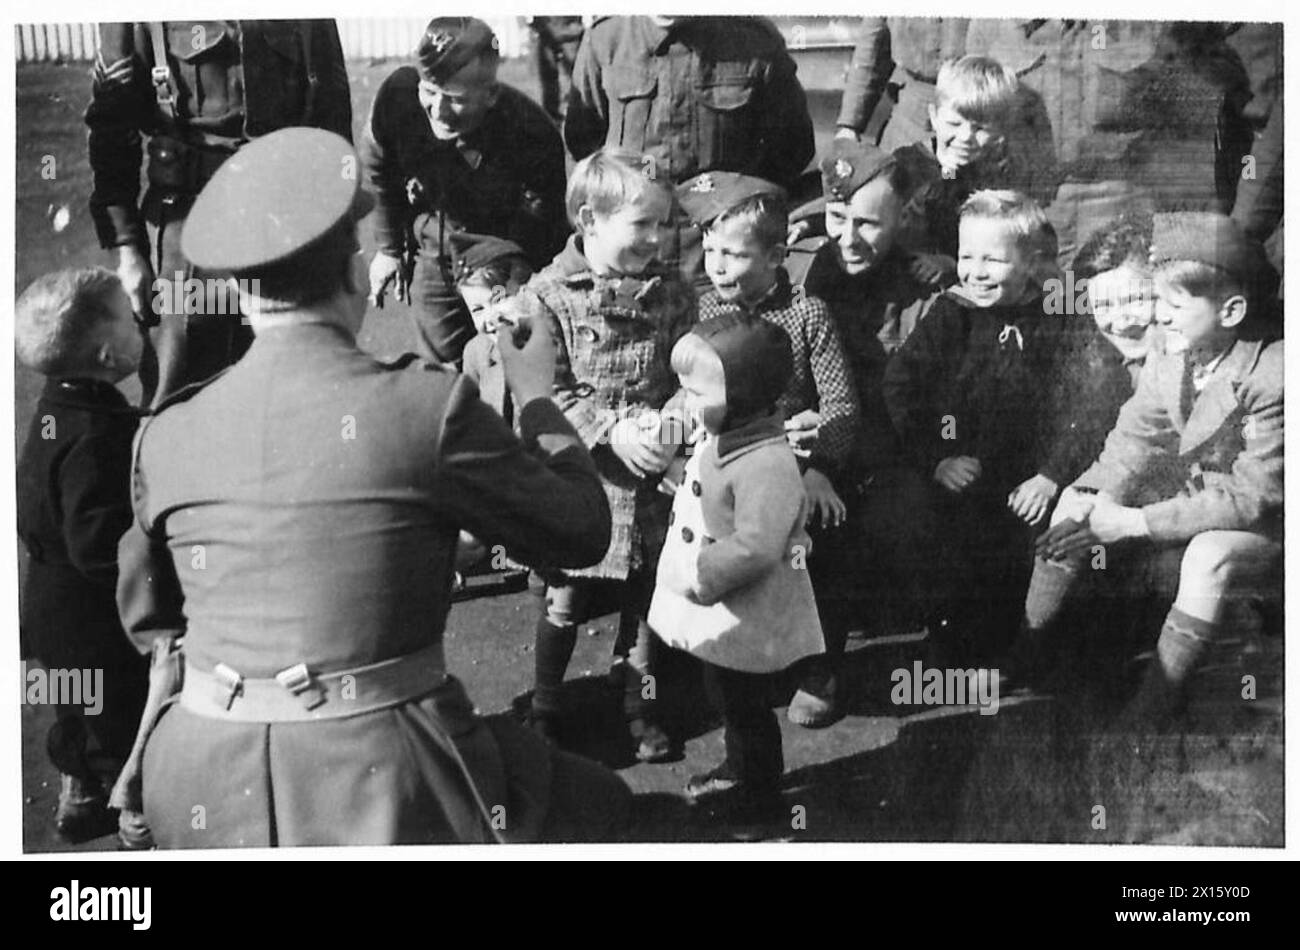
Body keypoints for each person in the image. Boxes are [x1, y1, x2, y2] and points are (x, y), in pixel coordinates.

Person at [114, 127, 629, 847]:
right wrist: (538, 396)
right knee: (603, 806)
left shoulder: (167, 432)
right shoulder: (426, 407)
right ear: (356, 274)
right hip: (380, 773)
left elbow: (153, 619)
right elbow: (580, 529)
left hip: (198, 774)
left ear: (236, 293)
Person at [1000, 213, 1282, 724]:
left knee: (1207, 557)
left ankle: (1152, 708)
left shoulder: (1274, 374)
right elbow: (1133, 439)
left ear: (1232, 310)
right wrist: (1094, 499)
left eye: (1171, 306)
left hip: (1269, 525)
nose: (1160, 319)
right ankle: (1028, 654)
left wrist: (1134, 523)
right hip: (1198, 503)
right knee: (1078, 503)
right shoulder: (1176, 353)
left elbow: (1253, 496)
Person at [502, 147, 695, 762]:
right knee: (565, 598)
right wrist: (611, 430)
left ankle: (641, 705)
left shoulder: (673, 291)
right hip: (582, 477)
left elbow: (691, 369)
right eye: (643, 225)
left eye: (666, 223)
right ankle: (546, 706)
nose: (659, 238)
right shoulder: (547, 297)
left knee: (646, 602)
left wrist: (675, 420)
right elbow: (545, 392)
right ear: (589, 219)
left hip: (653, 479)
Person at [882, 190, 1103, 661]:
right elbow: (901, 385)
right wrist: (935, 457)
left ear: (1030, 261)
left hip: (1032, 474)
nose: (976, 271)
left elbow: (1091, 401)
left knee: (1024, 560)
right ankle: (949, 637)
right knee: (944, 546)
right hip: (962, 466)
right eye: (966, 256)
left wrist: (1052, 475)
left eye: (994, 260)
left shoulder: (1059, 315)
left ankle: (1024, 645)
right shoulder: (953, 312)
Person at [86, 19, 352, 406]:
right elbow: (112, 129)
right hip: (187, 228)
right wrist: (126, 248)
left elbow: (332, 115)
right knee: (176, 390)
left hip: (284, 225)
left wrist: (336, 237)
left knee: (293, 389)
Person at [679, 171, 863, 727]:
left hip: (795, 465)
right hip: (719, 462)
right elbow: (680, 389)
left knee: (816, 551)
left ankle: (818, 666)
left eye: (733, 256)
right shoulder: (699, 310)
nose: (716, 266)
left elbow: (840, 403)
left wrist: (822, 471)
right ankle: (728, 655)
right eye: (710, 251)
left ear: (776, 255)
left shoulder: (809, 314)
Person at [781, 141, 942, 725]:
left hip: (889, 450)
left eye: (869, 223)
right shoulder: (797, 273)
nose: (848, 238)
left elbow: (927, 398)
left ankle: (831, 659)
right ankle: (798, 655)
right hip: (804, 444)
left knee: (880, 519)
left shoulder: (923, 288)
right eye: (837, 218)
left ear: (902, 219)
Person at [649, 314, 824, 829]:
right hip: (721, 604)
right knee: (725, 691)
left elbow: (756, 545)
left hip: (739, 601)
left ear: (745, 395)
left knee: (744, 702)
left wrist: (701, 573)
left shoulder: (766, 462)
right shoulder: (728, 430)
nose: (684, 401)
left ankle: (761, 799)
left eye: (695, 391)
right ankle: (741, 769)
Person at [15, 268, 150, 848]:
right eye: (130, 316)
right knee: (120, 713)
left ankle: (80, 790)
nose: (141, 321)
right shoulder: (98, 434)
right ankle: (137, 816)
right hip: (92, 613)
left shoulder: (55, 412)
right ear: (105, 353)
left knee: (75, 706)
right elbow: (98, 546)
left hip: (48, 601)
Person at [362, 17, 568, 365]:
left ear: (490, 94)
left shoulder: (532, 134)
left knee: (508, 357)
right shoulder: (397, 100)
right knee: (442, 366)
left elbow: (542, 231)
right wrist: (388, 248)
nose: (438, 110)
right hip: (434, 249)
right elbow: (378, 169)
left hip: (503, 256)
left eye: (454, 99)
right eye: (429, 92)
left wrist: (504, 285)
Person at [563, 16, 815, 288]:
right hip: (631, 260)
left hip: (720, 263)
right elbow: (583, 146)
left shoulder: (752, 40)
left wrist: (740, 212)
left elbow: (792, 147)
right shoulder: (607, 39)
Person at [893, 56, 1023, 287]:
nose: (966, 137)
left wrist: (951, 263)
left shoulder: (996, 178)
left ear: (1000, 131)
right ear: (933, 117)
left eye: (981, 129)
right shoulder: (906, 165)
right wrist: (946, 173)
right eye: (954, 124)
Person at [453, 232, 535, 425]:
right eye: (478, 309)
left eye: (500, 300)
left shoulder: (553, 337)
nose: (491, 318)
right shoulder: (476, 353)